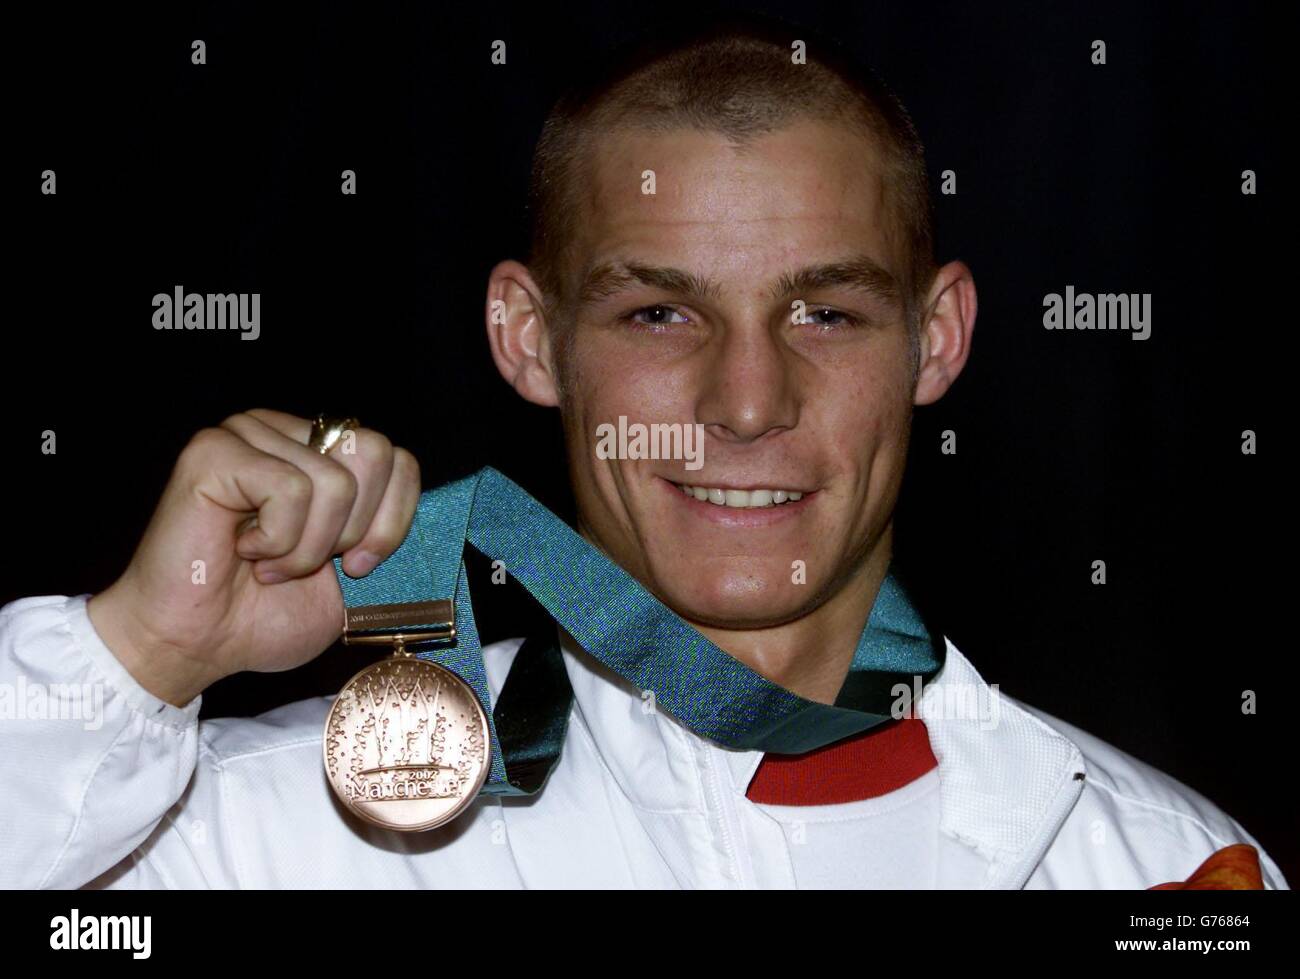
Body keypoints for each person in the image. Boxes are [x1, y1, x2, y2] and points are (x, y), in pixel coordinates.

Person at [0, 17, 1287, 890]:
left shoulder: (1160, 873)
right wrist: (136, 656)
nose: (744, 401)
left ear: (935, 340)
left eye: (824, 312)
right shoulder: (261, 836)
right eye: (659, 312)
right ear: (529, 336)